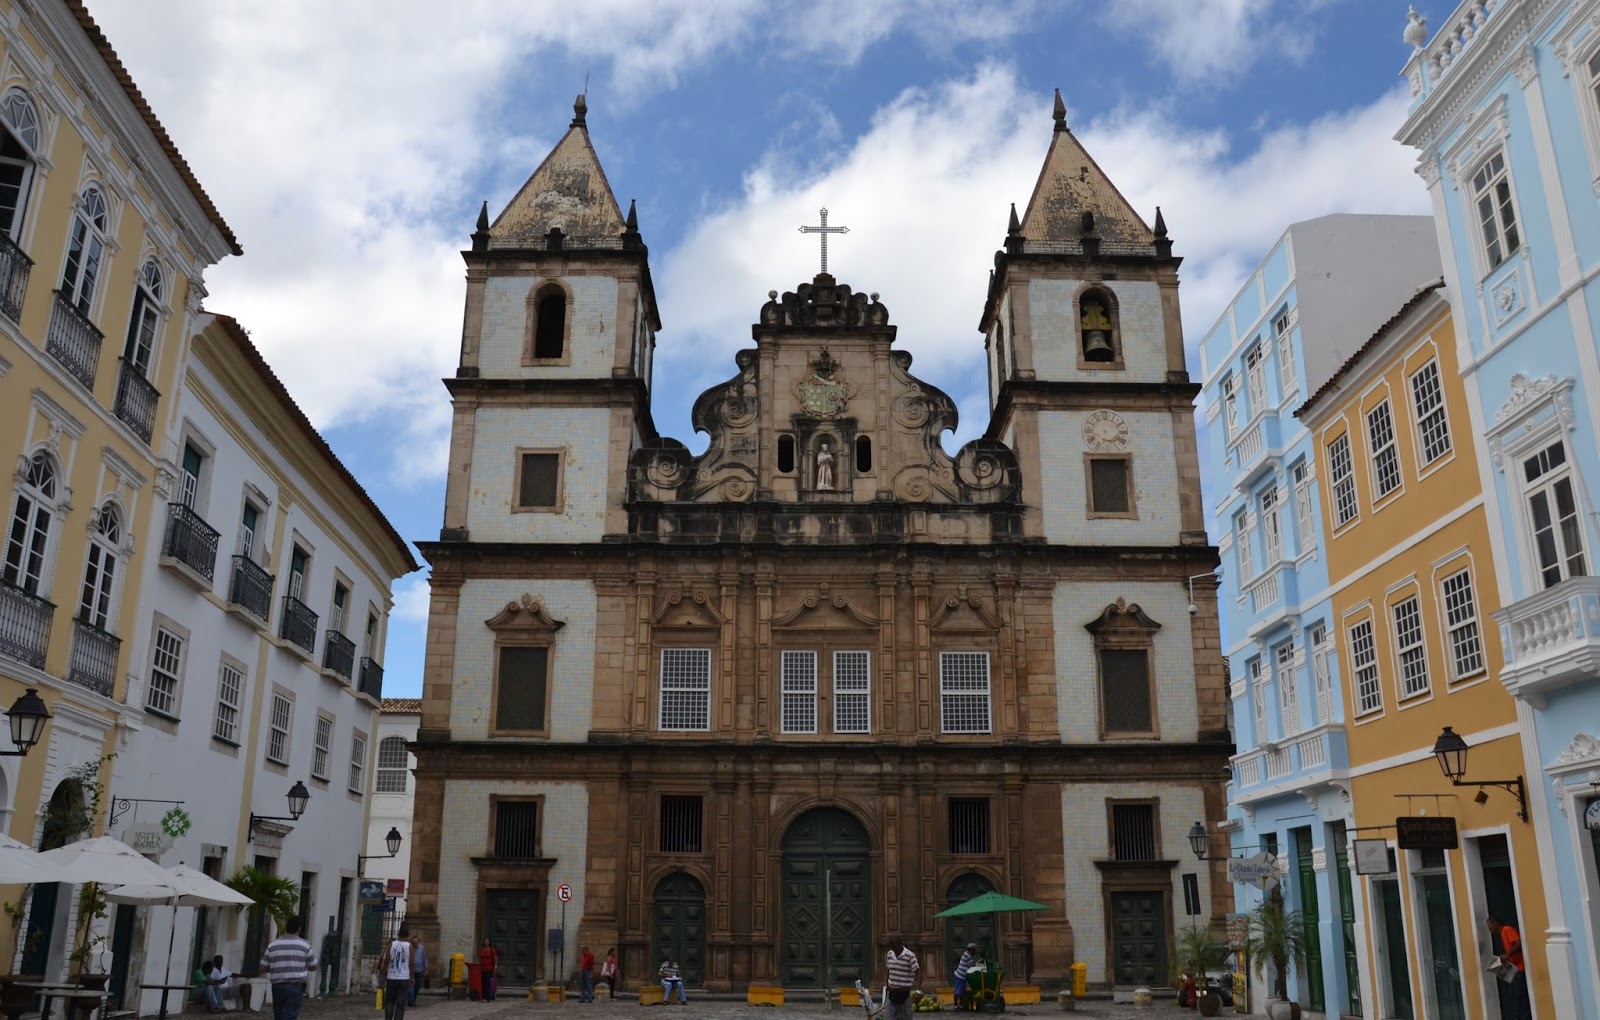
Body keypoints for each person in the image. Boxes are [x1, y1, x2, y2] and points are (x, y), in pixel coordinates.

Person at [259, 917, 318, 1020]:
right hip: (295, 986)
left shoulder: (273, 945)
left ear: (286, 928)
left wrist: (275, 968)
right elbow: (313, 966)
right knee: (289, 1015)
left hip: (277, 986)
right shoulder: (305, 945)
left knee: (279, 1015)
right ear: (299, 929)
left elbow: (264, 967)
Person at [1486, 916, 1532, 1020]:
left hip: (1521, 968)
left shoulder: (1507, 929)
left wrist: (1507, 955)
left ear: (1495, 923)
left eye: (1489, 925)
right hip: (1516, 969)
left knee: (1519, 998)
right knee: (1515, 996)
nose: (1489, 929)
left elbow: (1518, 943)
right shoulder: (1502, 935)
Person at [378, 923, 413, 1020]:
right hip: (404, 978)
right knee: (401, 1004)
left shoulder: (391, 945)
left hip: (391, 977)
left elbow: (387, 960)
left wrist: (383, 974)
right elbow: (411, 963)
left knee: (390, 1001)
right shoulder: (409, 947)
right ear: (407, 935)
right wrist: (412, 976)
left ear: (398, 934)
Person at [883, 935, 920, 1020]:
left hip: (904, 993)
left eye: (895, 947)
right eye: (892, 948)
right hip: (891, 993)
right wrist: (887, 987)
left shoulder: (910, 956)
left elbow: (918, 973)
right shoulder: (889, 954)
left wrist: (917, 992)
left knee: (906, 1017)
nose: (894, 950)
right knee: (888, 1017)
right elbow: (889, 971)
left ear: (900, 944)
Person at [477, 937, 499, 1002]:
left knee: (487, 983)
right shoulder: (481, 950)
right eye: (485, 941)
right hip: (482, 969)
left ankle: (487, 997)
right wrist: (478, 967)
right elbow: (479, 959)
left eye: (487, 941)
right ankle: (483, 996)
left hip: (489, 969)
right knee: (483, 983)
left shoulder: (492, 950)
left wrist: (495, 967)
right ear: (483, 942)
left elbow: (495, 959)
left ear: (489, 942)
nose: (486, 942)